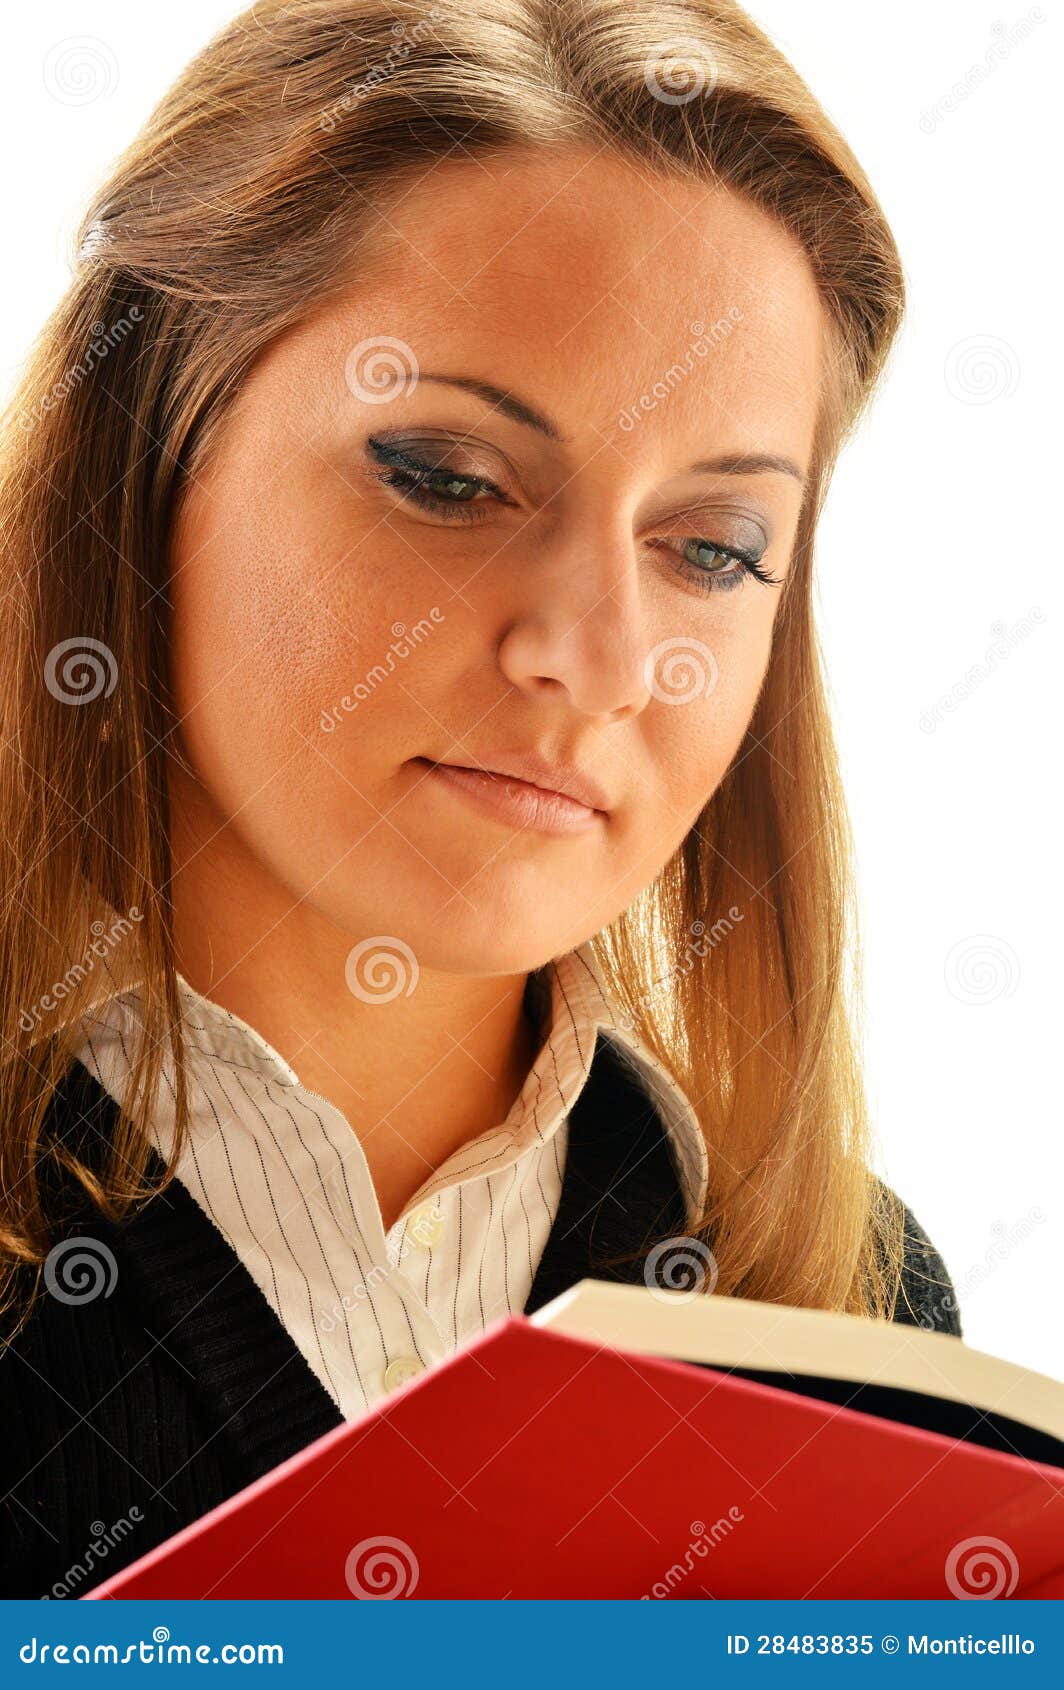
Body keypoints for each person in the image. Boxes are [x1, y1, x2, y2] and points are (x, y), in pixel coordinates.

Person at [0, 0, 960, 1599]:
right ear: (149, 452)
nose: (592, 658)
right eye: (447, 476)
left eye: (712, 549)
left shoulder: (850, 1314)